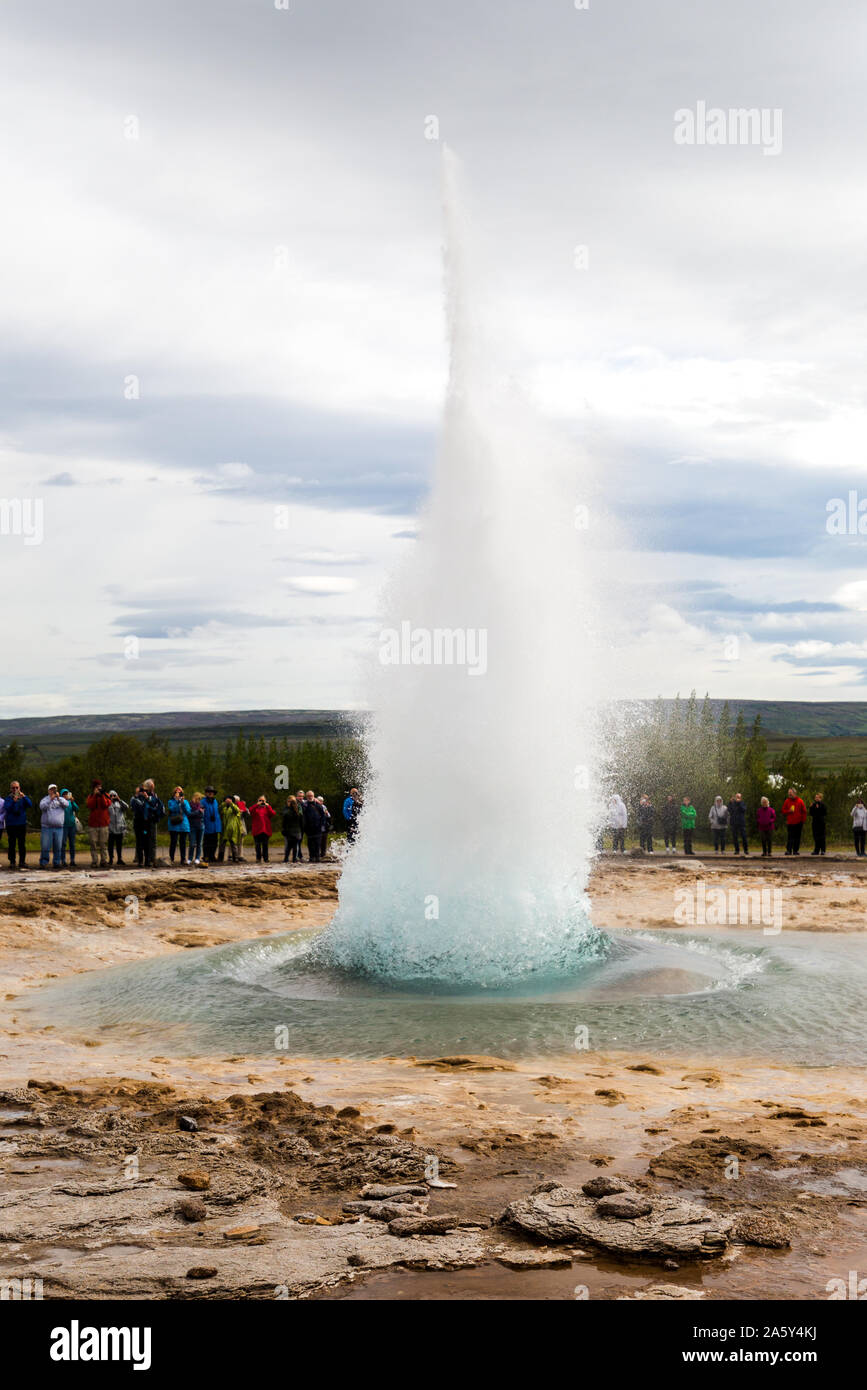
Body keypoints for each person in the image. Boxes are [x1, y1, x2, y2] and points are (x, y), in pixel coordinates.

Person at [38, 784, 68, 869]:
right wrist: (50, 799)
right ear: (48, 791)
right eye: (51, 789)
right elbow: (42, 807)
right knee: (45, 846)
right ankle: (43, 862)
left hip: (59, 827)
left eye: (54, 789)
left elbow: (66, 805)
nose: (53, 791)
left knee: (58, 846)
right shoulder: (45, 799)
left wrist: (58, 798)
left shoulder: (61, 799)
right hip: (47, 827)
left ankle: (57, 862)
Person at [3, 781, 32, 869]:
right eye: (13, 788)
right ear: (10, 789)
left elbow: (30, 805)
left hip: (21, 823)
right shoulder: (8, 798)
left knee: (21, 844)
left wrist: (25, 797)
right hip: (11, 824)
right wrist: (14, 802)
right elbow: (7, 808)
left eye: (17, 787)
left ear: (19, 788)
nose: (15, 789)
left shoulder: (22, 797)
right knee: (11, 843)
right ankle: (12, 861)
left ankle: (22, 861)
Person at [86, 777, 112, 869]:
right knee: (93, 844)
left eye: (100, 786)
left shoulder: (105, 795)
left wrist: (101, 796)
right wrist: (94, 795)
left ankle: (104, 860)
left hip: (104, 823)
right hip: (93, 824)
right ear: (94, 788)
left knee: (103, 844)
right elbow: (90, 805)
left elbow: (106, 804)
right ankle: (94, 861)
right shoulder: (90, 796)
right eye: (97, 787)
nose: (99, 788)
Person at [141, 779, 164, 868]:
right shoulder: (142, 795)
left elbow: (155, 804)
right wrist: (146, 798)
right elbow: (141, 806)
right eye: (151, 786)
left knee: (153, 840)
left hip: (152, 821)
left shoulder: (154, 795)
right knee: (146, 840)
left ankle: (152, 859)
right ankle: (146, 859)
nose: (152, 787)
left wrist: (148, 799)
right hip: (144, 822)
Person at [166, 786, 191, 865]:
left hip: (183, 824)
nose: (178, 793)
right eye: (177, 792)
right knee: (173, 842)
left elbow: (188, 811)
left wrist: (182, 803)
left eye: (180, 792)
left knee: (183, 842)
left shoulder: (185, 802)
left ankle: (183, 859)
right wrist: (177, 802)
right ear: (174, 793)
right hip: (174, 824)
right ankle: (171, 859)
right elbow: (172, 809)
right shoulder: (171, 801)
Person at [782, 787, 807, 856]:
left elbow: (804, 811)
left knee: (797, 837)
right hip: (790, 822)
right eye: (789, 793)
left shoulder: (800, 801)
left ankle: (795, 850)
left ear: (794, 793)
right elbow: (783, 811)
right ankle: (789, 850)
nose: (789, 794)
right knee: (790, 837)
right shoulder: (787, 801)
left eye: (790, 793)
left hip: (799, 822)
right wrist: (788, 811)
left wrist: (803, 821)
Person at [251, 795, 276, 862]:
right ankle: (258, 858)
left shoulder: (267, 808)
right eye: (260, 800)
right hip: (257, 830)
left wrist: (268, 806)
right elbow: (250, 810)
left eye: (263, 800)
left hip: (265, 830)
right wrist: (257, 805)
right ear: (258, 801)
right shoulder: (255, 808)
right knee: (257, 845)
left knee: (265, 845)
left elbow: (273, 813)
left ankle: (266, 858)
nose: (262, 802)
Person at [107, 790, 130, 866]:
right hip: (111, 827)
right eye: (111, 795)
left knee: (119, 845)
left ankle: (119, 859)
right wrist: (109, 801)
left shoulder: (119, 803)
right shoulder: (107, 803)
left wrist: (120, 800)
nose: (113, 797)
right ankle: (110, 859)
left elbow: (127, 807)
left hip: (120, 827)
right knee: (110, 845)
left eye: (114, 795)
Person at [302, 791, 325, 863]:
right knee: (310, 844)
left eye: (311, 795)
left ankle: (317, 857)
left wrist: (321, 825)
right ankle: (311, 857)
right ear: (306, 797)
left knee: (317, 843)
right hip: (308, 828)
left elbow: (323, 816)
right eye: (308, 796)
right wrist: (304, 827)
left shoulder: (318, 805)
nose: (310, 797)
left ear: (313, 796)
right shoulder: (304, 806)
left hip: (317, 828)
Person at [219, 795, 243, 863]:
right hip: (224, 827)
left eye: (229, 800)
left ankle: (235, 858)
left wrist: (231, 804)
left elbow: (237, 811)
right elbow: (219, 809)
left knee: (233, 843)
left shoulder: (234, 807)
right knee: (222, 843)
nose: (228, 801)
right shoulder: (223, 808)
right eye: (226, 800)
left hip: (232, 828)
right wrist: (224, 803)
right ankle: (220, 858)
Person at [201, 787, 222, 866]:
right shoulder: (203, 801)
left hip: (215, 824)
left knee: (214, 842)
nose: (210, 793)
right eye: (209, 792)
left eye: (212, 792)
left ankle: (212, 856)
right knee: (206, 841)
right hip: (207, 823)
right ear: (206, 793)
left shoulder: (215, 801)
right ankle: (206, 856)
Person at [130, 785, 149, 866]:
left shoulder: (148, 799)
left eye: (145, 791)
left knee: (146, 842)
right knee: (139, 842)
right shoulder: (135, 799)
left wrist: (147, 798)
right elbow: (132, 808)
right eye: (142, 791)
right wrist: (137, 797)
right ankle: (140, 860)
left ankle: (147, 860)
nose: (143, 793)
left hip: (146, 823)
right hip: (138, 822)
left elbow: (153, 807)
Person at [60, 788, 79, 867]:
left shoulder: (71, 802)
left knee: (72, 844)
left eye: (66, 794)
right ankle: (63, 860)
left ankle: (72, 860)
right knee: (63, 843)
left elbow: (77, 809)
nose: (65, 795)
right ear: (61, 795)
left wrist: (73, 801)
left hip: (72, 825)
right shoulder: (60, 803)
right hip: (64, 825)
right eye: (64, 794)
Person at [282, 795, 304, 862]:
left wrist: (284, 830)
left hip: (289, 832)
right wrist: (301, 830)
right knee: (295, 846)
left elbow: (284, 823)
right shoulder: (299, 814)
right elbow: (302, 823)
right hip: (297, 832)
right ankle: (294, 859)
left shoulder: (287, 813)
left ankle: (286, 859)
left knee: (289, 846)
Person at [727, 792, 749, 856]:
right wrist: (730, 802)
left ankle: (746, 850)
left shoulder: (742, 803)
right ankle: (737, 850)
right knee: (735, 837)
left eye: (738, 797)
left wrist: (739, 803)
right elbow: (729, 810)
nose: (737, 798)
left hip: (741, 822)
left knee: (744, 836)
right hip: (734, 822)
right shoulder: (732, 804)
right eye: (736, 797)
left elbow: (744, 809)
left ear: (740, 798)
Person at [188, 793, 205, 865]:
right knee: (192, 844)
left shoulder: (201, 805)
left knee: (199, 844)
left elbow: (202, 815)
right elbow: (189, 814)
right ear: (195, 798)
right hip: (192, 826)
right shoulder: (189, 804)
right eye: (199, 799)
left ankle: (197, 858)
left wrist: (196, 813)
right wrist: (198, 812)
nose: (199, 800)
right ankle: (190, 858)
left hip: (201, 826)